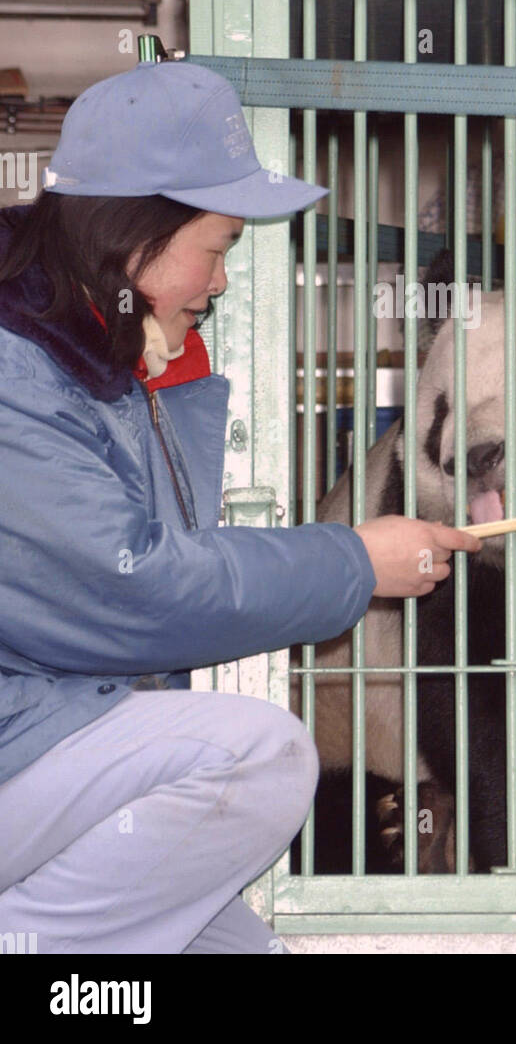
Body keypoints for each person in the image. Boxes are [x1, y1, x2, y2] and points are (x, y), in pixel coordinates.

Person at [0, 60, 480, 954]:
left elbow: (160, 553)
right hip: (21, 741)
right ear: (132, 235)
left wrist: (156, 372)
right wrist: (353, 560)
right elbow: (128, 588)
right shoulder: (12, 371)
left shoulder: (71, 356)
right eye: (217, 247)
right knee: (256, 752)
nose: (220, 283)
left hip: (37, 742)